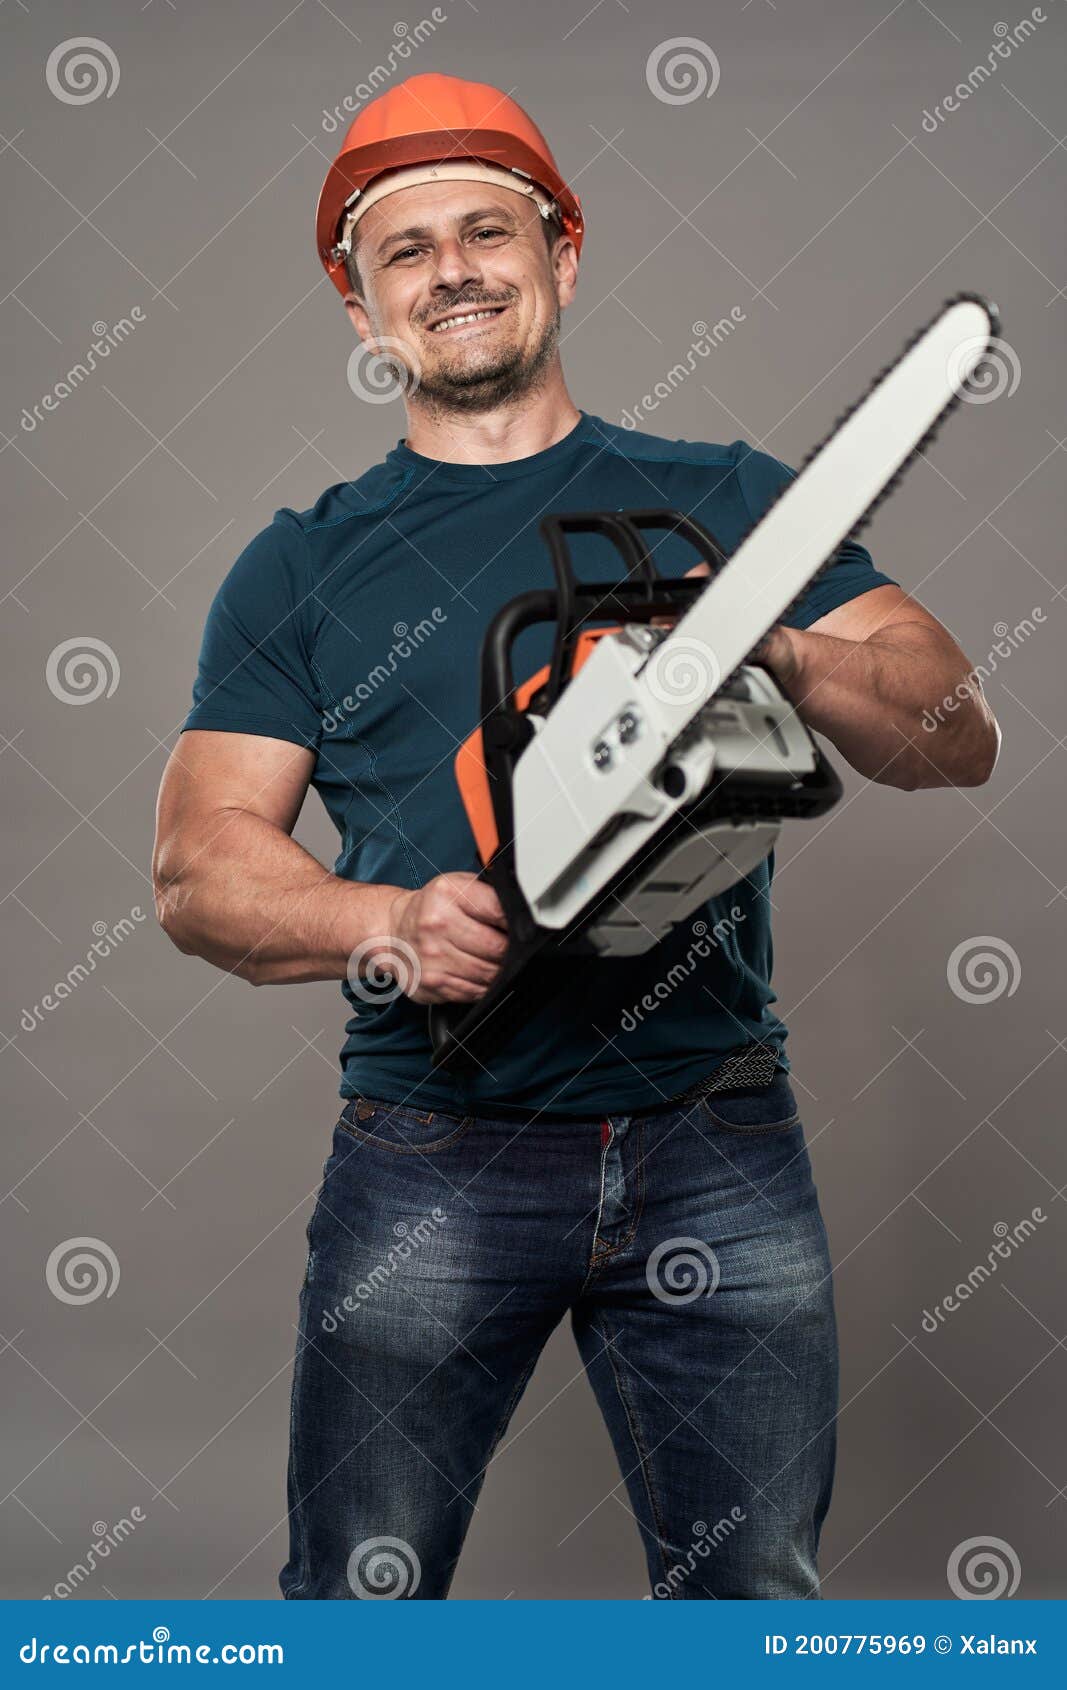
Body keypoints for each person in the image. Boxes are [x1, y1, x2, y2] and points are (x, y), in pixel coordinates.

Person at [152, 73, 1000, 1600]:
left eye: (489, 229)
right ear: (360, 308)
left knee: (752, 1605)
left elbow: (957, 730)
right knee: (360, 1598)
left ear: (563, 251)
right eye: (406, 251)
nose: (454, 269)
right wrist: (381, 923)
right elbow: (197, 866)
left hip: (717, 1134)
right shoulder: (301, 567)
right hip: (431, 1147)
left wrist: (785, 652)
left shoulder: (728, 502)